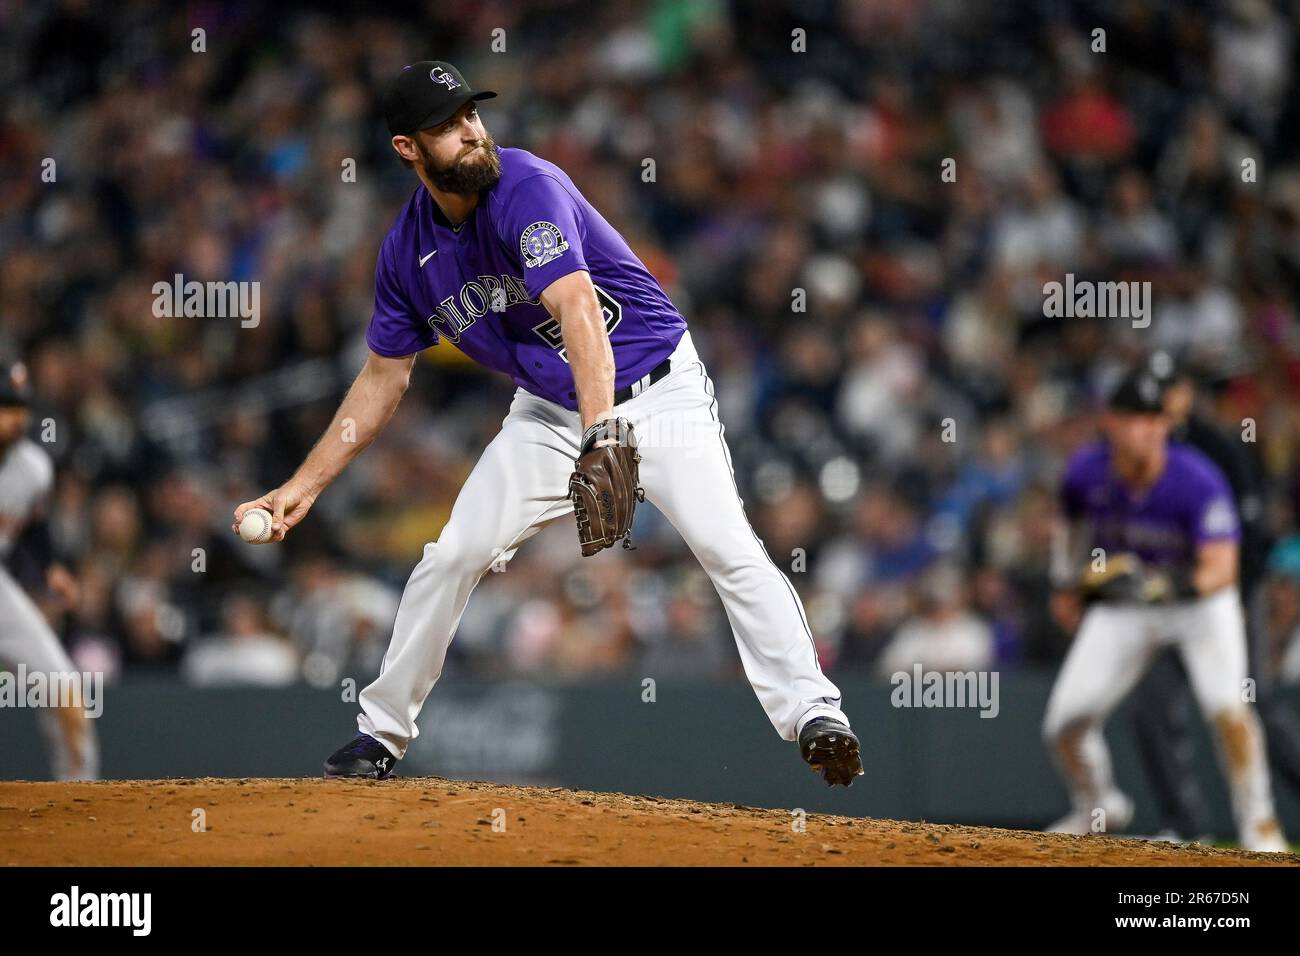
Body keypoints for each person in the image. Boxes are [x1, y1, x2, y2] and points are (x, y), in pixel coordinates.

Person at [232, 61, 861, 786]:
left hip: (660, 391)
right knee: (454, 553)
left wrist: (604, 437)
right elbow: (383, 377)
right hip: (548, 412)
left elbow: (577, 309)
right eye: (448, 124)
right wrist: (303, 486)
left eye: (472, 113)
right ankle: (380, 734)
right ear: (408, 148)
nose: (471, 130)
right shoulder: (407, 257)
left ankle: (816, 713)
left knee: (727, 548)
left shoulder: (525, 187)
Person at [1042, 369, 1287, 852]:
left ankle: (1259, 826)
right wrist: (1065, 585)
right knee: (1065, 722)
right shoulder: (1085, 471)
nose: (1151, 429)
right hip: (1128, 608)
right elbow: (1069, 528)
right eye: (1139, 418)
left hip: (1199, 605)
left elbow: (1222, 568)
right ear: (1111, 422)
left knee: (1227, 706)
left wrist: (1164, 584)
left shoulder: (1195, 478)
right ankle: (1098, 805)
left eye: (1158, 419)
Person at [1130, 353, 1300, 841]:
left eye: (1169, 389)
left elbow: (1252, 538)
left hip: (1230, 598)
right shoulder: (1145, 451)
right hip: (1174, 604)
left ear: (1187, 394)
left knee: (1253, 707)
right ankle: (1185, 827)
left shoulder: (1220, 446)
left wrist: (1237, 604)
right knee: (1151, 705)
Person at [0, 360, 99, 780]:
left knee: (63, 688)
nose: (15, 417)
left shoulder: (34, 467)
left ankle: (80, 801)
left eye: (20, 407)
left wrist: (49, 568)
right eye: (5, 406)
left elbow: (32, 528)